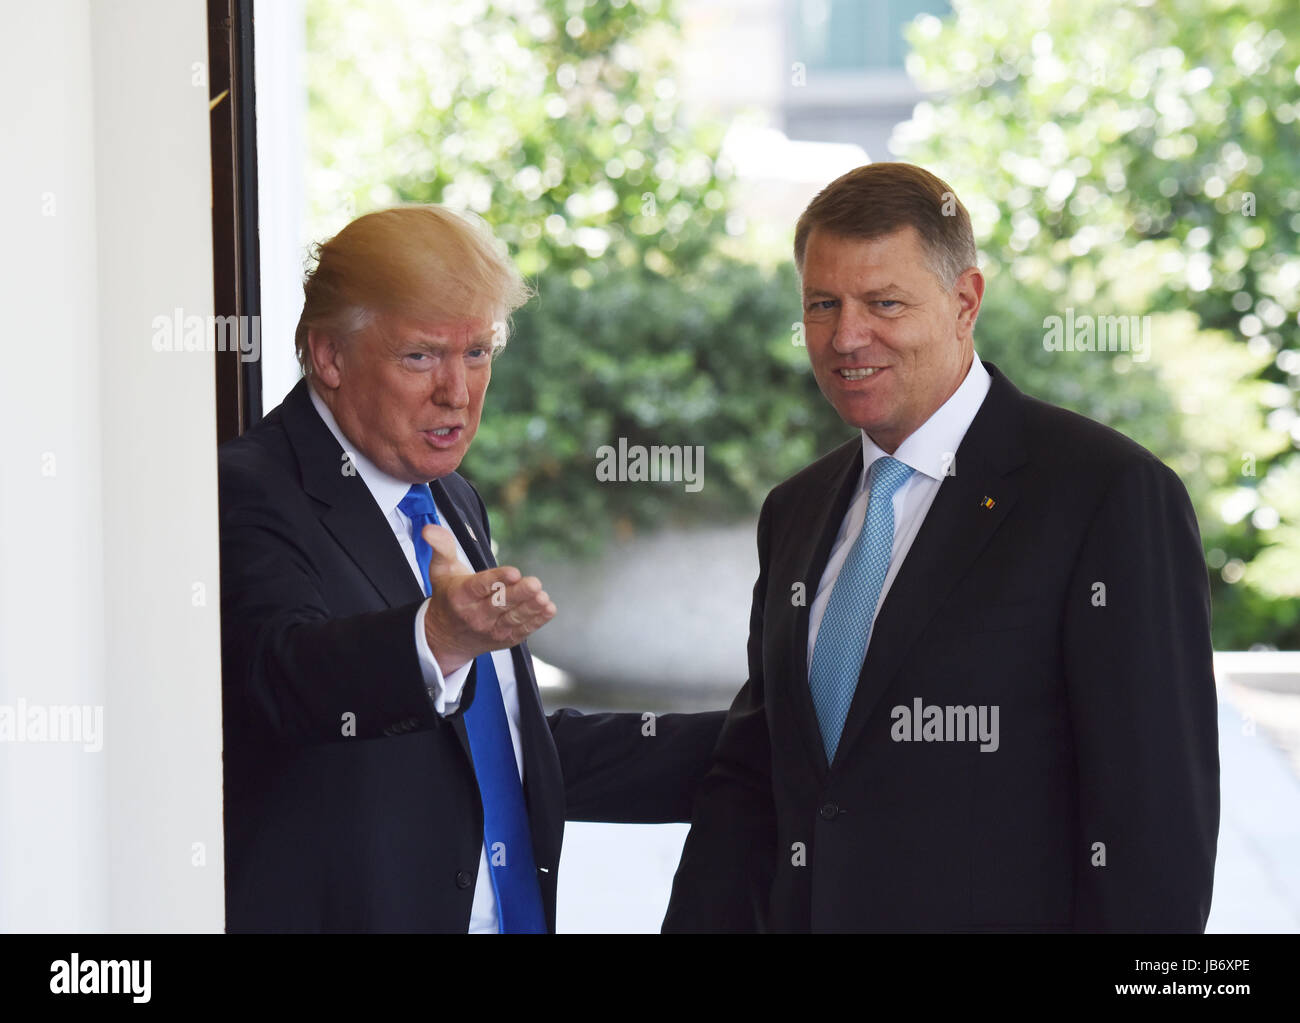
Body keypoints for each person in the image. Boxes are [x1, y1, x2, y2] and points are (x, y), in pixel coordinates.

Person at [662, 163, 1219, 933]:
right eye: (823, 304)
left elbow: (1154, 832)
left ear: (966, 302)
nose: (847, 336)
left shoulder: (1107, 495)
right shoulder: (794, 510)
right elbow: (758, 778)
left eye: (884, 303)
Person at [219, 205, 723, 933]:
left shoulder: (448, 495)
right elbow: (285, 677)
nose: (457, 391)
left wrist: (757, 748)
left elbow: (505, 746)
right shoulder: (247, 488)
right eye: (421, 356)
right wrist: (438, 637)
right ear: (328, 355)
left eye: (478, 353)